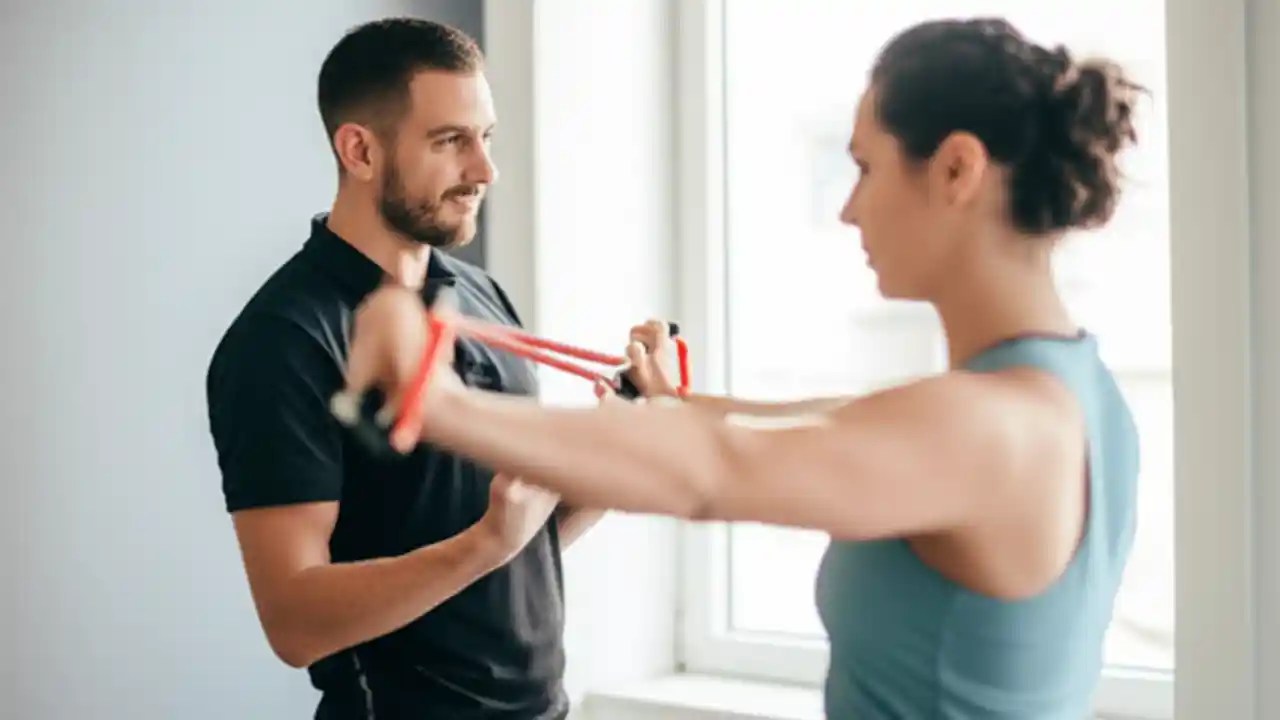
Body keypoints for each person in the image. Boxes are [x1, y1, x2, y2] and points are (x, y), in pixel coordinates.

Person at [337, 17, 1146, 720]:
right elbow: (817, 423)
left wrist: (435, 400)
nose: (848, 207)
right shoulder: (1067, 390)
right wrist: (671, 404)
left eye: (864, 167)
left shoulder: (989, 427)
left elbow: (718, 471)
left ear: (958, 170)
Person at [205, 18, 600, 720]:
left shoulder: (480, 296)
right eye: (451, 142)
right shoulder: (284, 340)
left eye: (487, 137)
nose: (485, 170)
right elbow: (294, 623)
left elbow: (519, 547)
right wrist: (484, 544)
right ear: (359, 149)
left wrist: (621, 451)